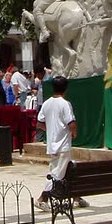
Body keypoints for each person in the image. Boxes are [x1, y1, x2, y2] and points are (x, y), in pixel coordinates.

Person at [34, 75, 82, 210]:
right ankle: (42, 198)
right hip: (63, 144)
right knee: (57, 173)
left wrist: (50, 129)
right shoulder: (65, 104)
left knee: (66, 170)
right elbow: (71, 122)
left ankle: (77, 196)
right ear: (65, 88)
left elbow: (39, 123)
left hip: (52, 143)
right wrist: (74, 133)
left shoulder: (47, 103)